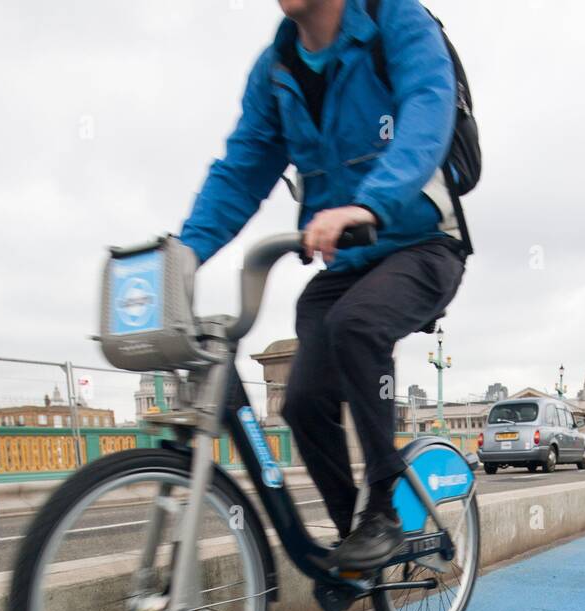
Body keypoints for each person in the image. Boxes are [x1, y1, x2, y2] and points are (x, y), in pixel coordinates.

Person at [180, 0, 466, 568]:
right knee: (304, 400)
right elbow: (242, 170)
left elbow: (426, 117)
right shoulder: (279, 67)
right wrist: (183, 254)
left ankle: (382, 512)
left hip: (424, 246)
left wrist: (367, 204)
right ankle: (356, 539)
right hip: (346, 268)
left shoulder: (397, 22)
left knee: (356, 325)